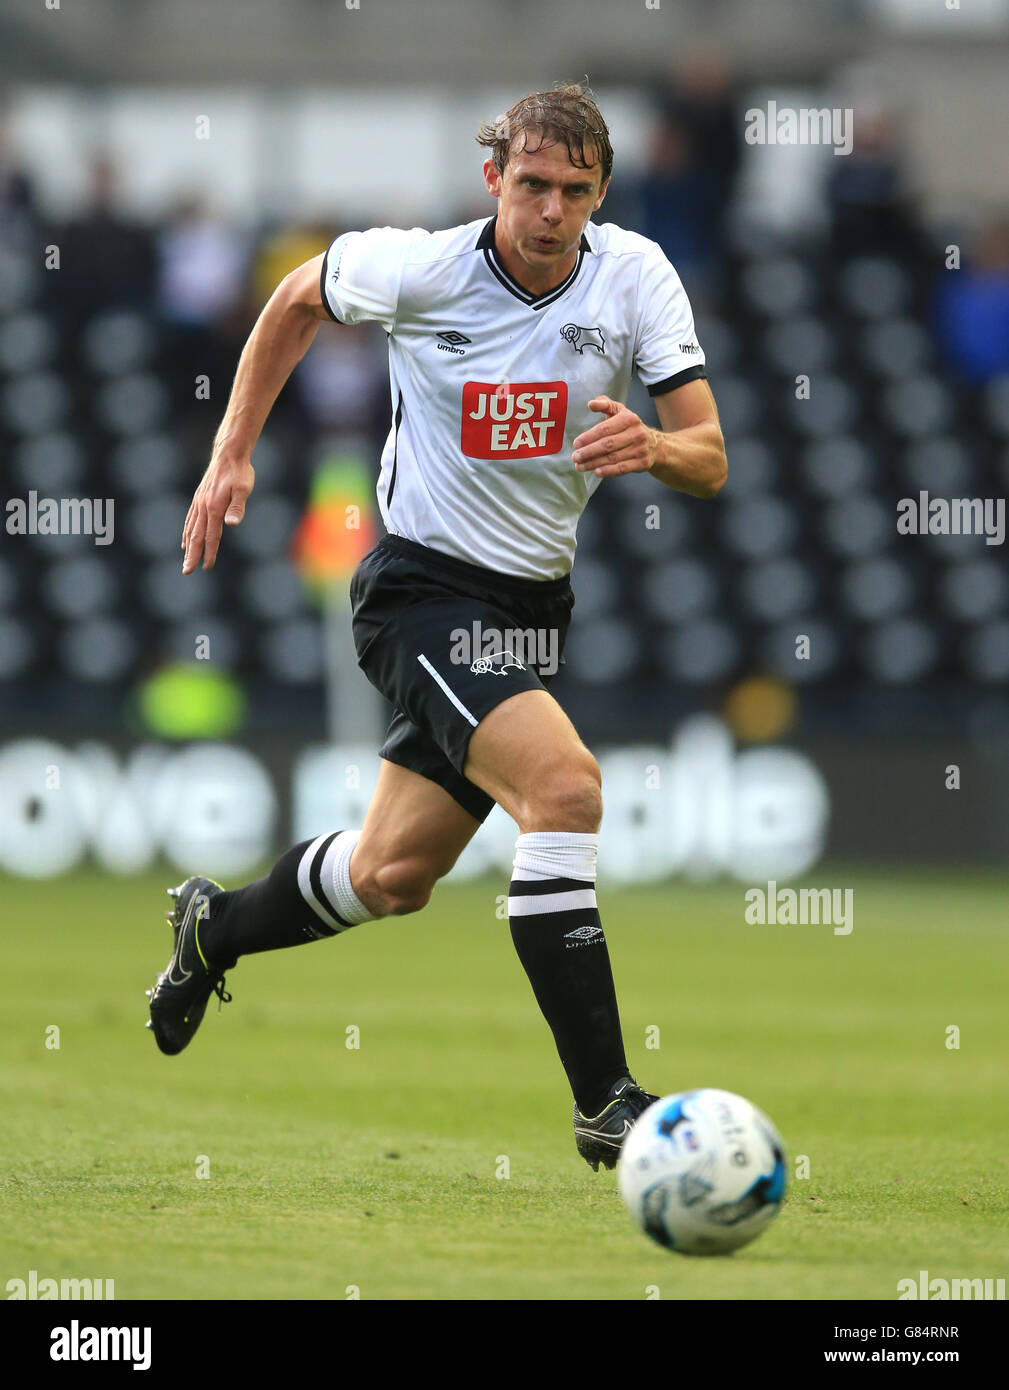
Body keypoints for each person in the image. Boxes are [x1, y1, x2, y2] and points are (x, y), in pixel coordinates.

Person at [146, 83, 728, 1171]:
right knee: (565, 790)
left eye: (575, 191)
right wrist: (232, 452)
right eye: (532, 185)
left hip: (529, 607)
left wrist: (652, 446)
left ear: (599, 194)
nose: (551, 210)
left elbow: (711, 454)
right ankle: (606, 1100)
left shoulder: (637, 276)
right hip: (418, 591)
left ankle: (211, 928)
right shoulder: (420, 267)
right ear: (492, 179)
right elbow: (293, 301)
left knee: (390, 875)